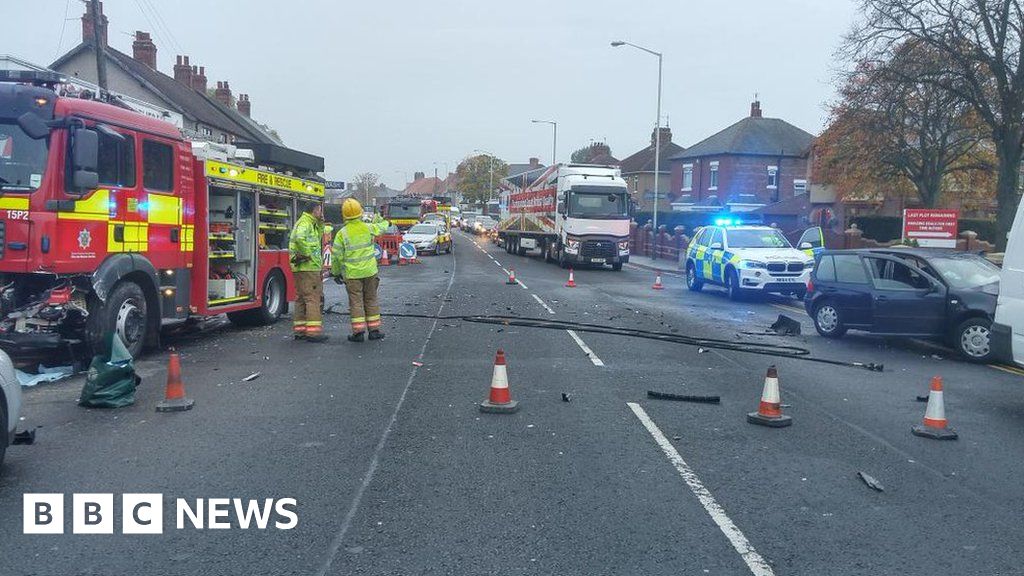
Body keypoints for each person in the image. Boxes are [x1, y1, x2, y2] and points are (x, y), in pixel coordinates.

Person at [331, 198, 390, 342]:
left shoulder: (342, 233)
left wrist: (336, 272)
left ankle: (358, 333)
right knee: (371, 300)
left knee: (356, 303)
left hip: (352, 275)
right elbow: (383, 226)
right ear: (360, 212)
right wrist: (380, 217)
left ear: (344, 214)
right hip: (370, 272)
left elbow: (337, 256)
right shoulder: (368, 228)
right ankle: (374, 331)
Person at [288, 203, 328, 342]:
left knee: (300, 298)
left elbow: (317, 238)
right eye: (320, 209)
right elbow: (300, 238)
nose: (321, 212)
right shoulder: (305, 223)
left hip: (300, 268)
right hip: (309, 268)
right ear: (315, 209)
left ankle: (300, 331)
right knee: (313, 299)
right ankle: (313, 333)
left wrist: (321, 223)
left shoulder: (309, 223)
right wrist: (307, 254)